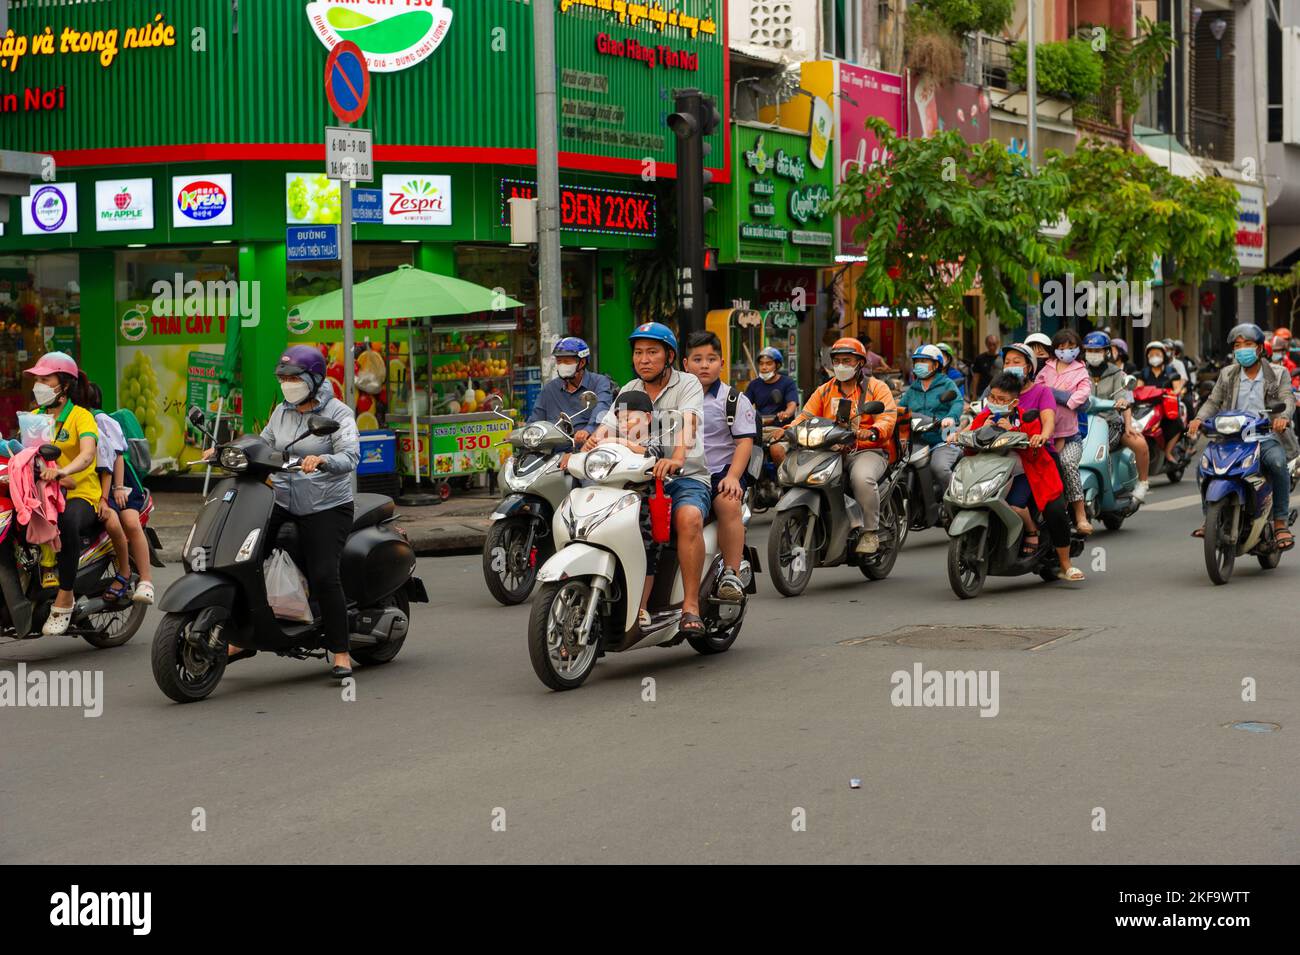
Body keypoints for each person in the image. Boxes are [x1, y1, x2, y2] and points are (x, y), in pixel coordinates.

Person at [207, 346, 360, 678]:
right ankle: (245, 636)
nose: (287, 384)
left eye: (294, 378)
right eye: (284, 378)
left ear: (313, 379)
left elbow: (351, 457)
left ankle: (341, 652)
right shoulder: (282, 412)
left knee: (323, 575)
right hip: (280, 500)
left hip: (326, 506)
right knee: (243, 558)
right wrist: (223, 451)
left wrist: (322, 460)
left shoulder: (338, 413)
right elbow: (262, 444)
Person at [584, 323, 712, 635]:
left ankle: (690, 606)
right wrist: (590, 443)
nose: (644, 359)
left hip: (684, 477)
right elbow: (606, 427)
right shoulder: (629, 391)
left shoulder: (688, 384)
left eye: (652, 352)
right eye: (639, 352)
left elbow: (689, 423)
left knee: (688, 517)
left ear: (669, 355)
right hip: (632, 479)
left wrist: (677, 458)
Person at [949, 371, 1084, 580]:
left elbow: (1035, 447)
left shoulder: (1025, 416)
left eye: (1001, 400)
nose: (995, 402)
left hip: (1026, 471)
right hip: (991, 472)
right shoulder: (984, 416)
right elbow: (969, 448)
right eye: (992, 398)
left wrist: (1014, 430)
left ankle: (1061, 560)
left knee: (1029, 506)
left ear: (1013, 402)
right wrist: (964, 435)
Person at [772, 338, 897, 554]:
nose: (841, 365)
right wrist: (786, 429)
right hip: (829, 451)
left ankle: (869, 533)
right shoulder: (824, 390)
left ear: (860, 363)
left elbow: (887, 417)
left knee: (861, 478)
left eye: (847, 360)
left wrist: (874, 430)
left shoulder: (877, 387)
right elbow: (805, 416)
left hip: (866, 450)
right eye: (837, 361)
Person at [1190, 324, 1297, 551]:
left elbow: (1287, 399)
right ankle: (1209, 518)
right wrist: (1198, 419)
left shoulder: (1279, 373)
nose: (1242, 350)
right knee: (1204, 467)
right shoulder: (1227, 373)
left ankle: (1280, 522)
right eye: (1238, 346)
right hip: (1231, 437)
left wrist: (1283, 417)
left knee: (1277, 464)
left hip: (1266, 435)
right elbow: (1213, 401)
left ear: (1259, 348)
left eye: (1248, 345)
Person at [23, 353, 101, 635]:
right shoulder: (32, 418)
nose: (38, 384)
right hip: (42, 494)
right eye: (37, 379)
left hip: (81, 492)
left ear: (64, 385)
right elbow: (20, 455)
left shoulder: (81, 416)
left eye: (46, 379)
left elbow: (88, 453)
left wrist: (62, 471)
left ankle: (65, 596)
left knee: (67, 521)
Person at [684, 330, 755, 603]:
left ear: (722, 363)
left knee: (728, 504)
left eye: (711, 359)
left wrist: (734, 477)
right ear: (685, 363)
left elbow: (744, 443)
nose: (704, 365)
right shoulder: (675, 397)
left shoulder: (733, 399)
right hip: (683, 473)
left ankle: (731, 574)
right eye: (697, 359)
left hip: (720, 472)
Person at [83, 381, 154, 605]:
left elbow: (119, 455)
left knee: (129, 522)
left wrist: (119, 487)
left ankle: (145, 580)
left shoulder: (100, 419)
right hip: (96, 481)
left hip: (120, 481)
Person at [1036, 328, 1093, 533]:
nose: (1066, 351)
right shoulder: (1046, 369)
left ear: (1078, 349)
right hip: (1045, 435)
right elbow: (1037, 391)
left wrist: (1065, 399)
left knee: (1068, 464)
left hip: (1070, 436)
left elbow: (1082, 395)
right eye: (1061, 348)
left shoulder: (1081, 370)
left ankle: (1080, 515)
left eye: (1071, 348)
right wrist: (1057, 396)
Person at [1083, 331, 1149, 502]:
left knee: (1140, 443)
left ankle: (1142, 483)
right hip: (1083, 423)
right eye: (1090, 350)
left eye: (1097, 351)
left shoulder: (1116, 373)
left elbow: (1123, 399)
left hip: (1110, 423)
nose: (1093, 354)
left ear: (1106, 352)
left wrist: (1128, 425)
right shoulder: (1080, 372)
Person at [898, 344, 964, 495]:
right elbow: (901, 409)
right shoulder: (913, 388)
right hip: (916, 441)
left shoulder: (946, 383)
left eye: (924, 361)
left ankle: (957, 499)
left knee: (939, 467)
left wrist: (950, 417)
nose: (919, 364)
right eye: (917, 361)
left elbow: (957, 402)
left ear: (936, 365)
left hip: (943, 439)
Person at [527, 337, 614, 446]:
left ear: (582, 362)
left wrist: (588, 430)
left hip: (586, 451)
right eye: (559, 361)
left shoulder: (599, 382)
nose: (562, 365)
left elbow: (602, 409)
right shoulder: (550, 389)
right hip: (552, 453)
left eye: (567, 361)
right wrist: (525, 432)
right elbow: (535, 420)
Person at [744, 346, 800, 467]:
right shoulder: (754, 385)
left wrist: (785, 414)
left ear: (777, 365)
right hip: (758, 429)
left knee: (776, 449)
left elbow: (792, 404)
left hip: (780, 428)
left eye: (768, 364)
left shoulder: (787, 382)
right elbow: (744, 404)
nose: (764, 367)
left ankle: (785, 481)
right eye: (761, 364)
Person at [1137, 340, 1186, 467]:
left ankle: (1168, 452)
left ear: (1163, 356)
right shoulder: (1144, 372)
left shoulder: (1170, 371)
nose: (1154, 357)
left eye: (1157, 354)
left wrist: (1174, 393)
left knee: (1177, 425)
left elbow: (1177, 388)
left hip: (1165, 407)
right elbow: (1138, 389)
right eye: (1151, 354)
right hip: (1147, 408)